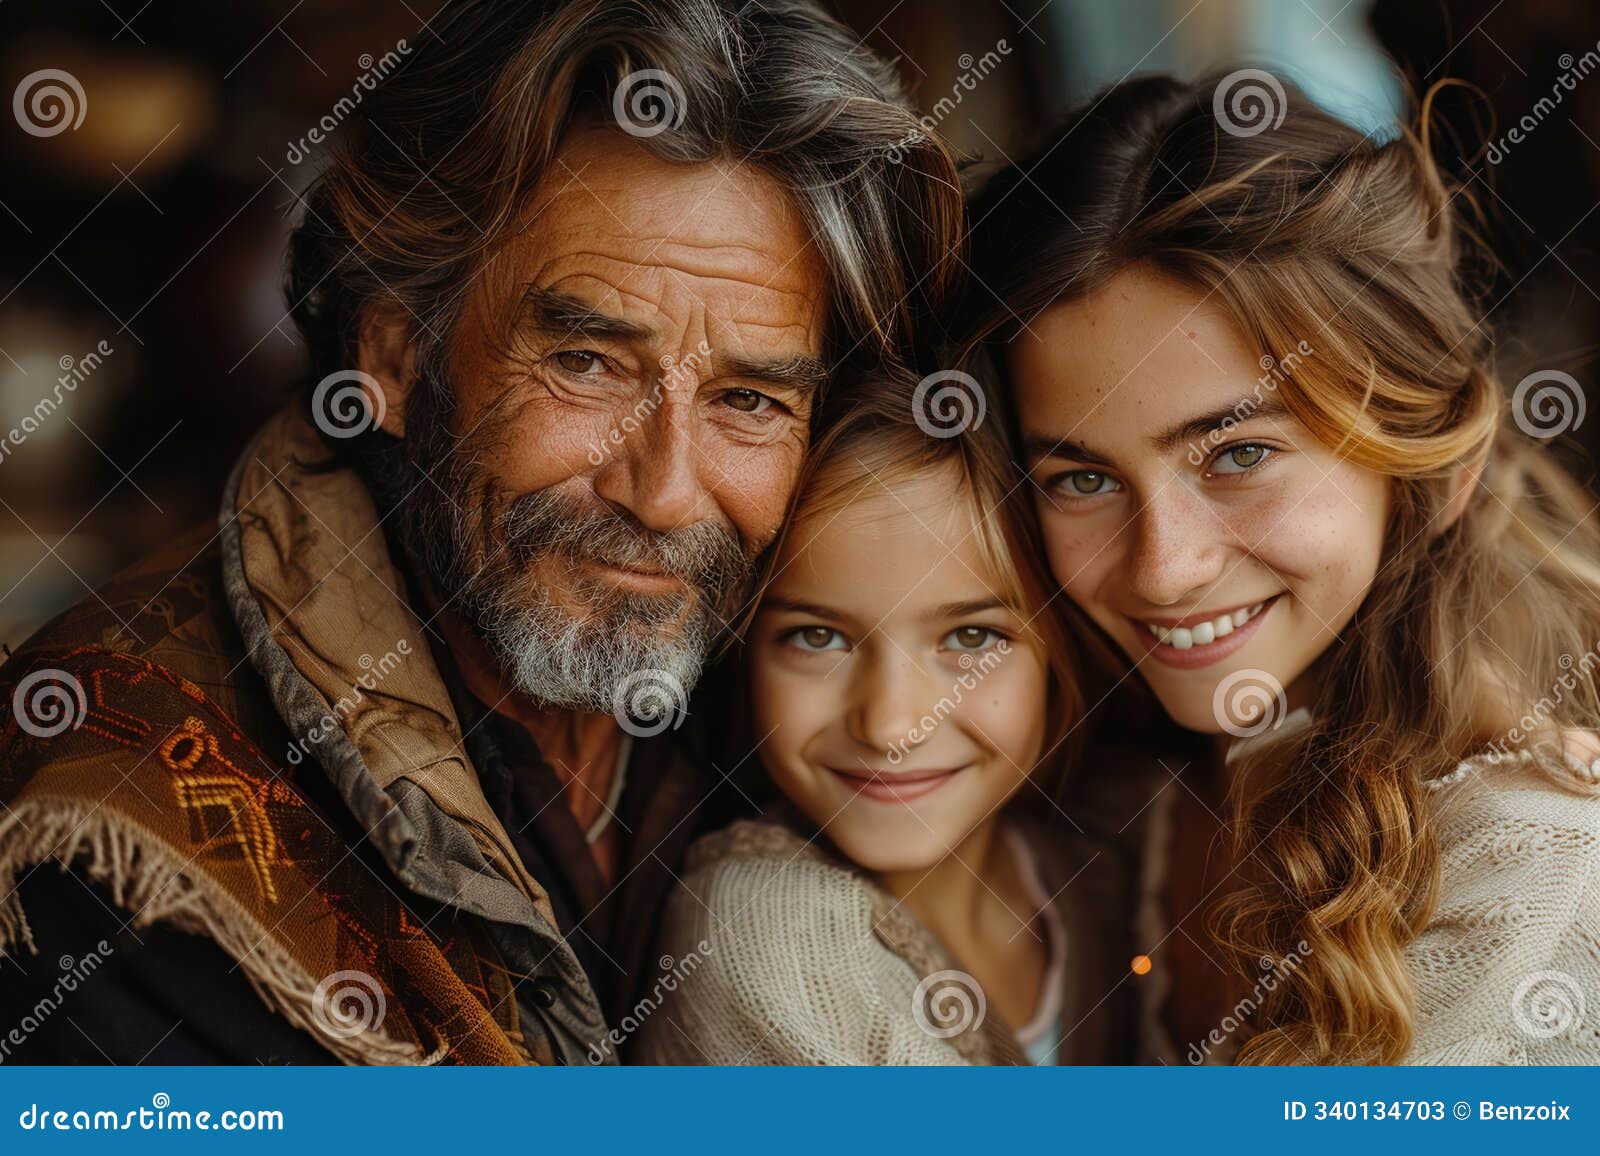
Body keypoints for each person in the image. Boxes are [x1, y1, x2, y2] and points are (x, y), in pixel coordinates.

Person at [0, 0, 961, 1065]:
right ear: (397, 359)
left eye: (749, 399)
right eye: (587, 364)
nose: (667, 493)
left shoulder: (827, 682)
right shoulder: (121, 825)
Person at [962, 72, 1600, 1065]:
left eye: (1238, 455)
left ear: (1429, 457)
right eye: (1080, 478)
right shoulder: (1130, 789)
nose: (1165, 571)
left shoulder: (1533, 867)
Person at [633, 370, 1135, 1065]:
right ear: (742, 659)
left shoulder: (1093, 881)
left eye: (971, 638)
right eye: (817, 637)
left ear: (1059, 652)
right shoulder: (768, 940)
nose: (892, 726)